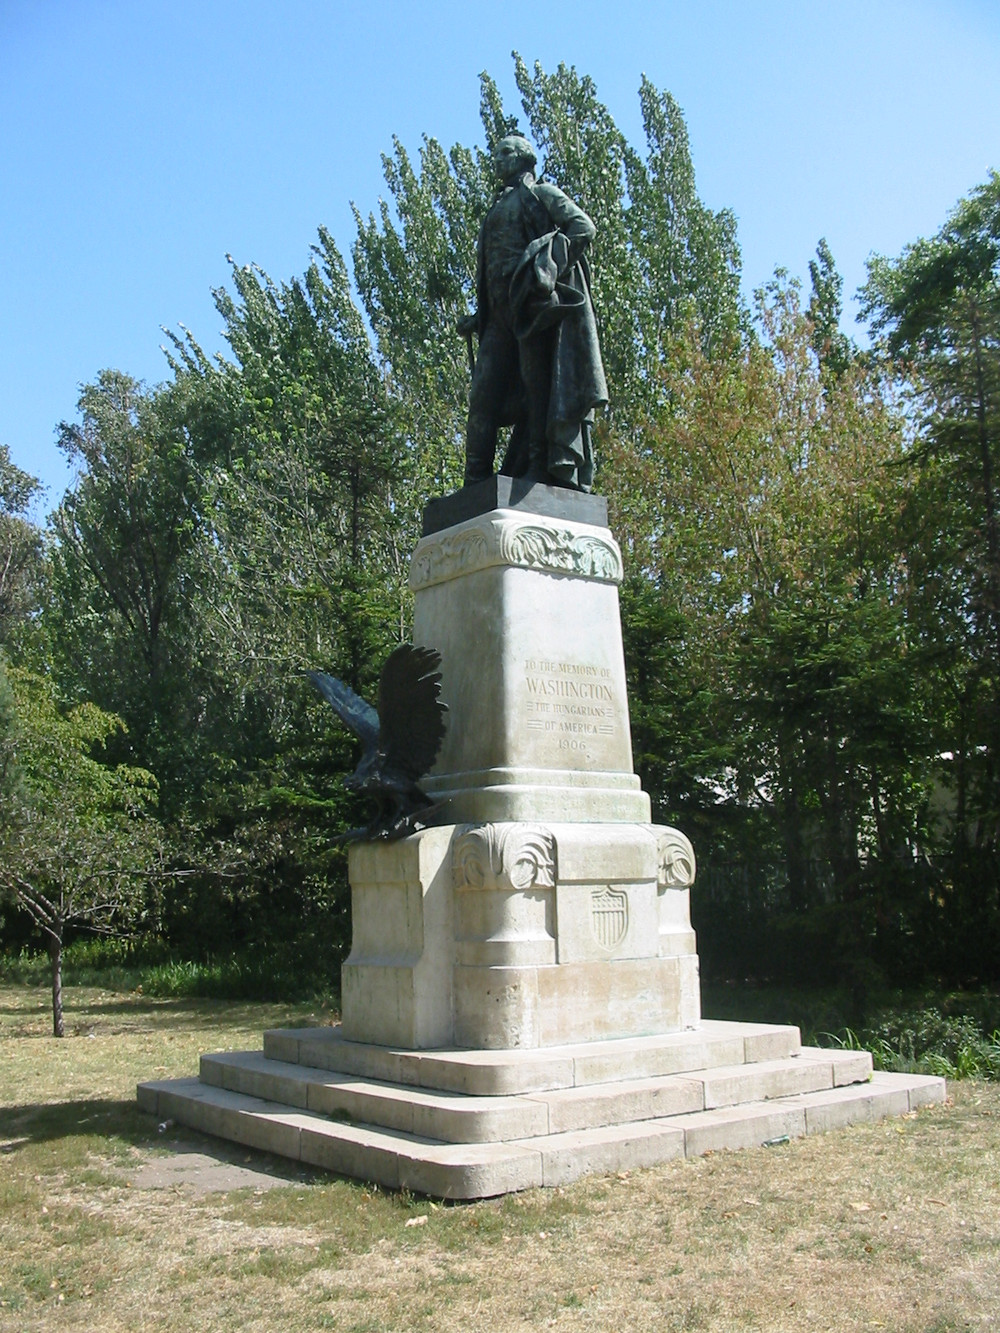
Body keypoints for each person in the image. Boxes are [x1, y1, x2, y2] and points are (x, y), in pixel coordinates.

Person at [458, 134, 608, 492]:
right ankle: (474, 480)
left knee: (537, 389)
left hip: (531, 310)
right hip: (497, 318)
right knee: (483, 396)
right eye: (497, 154)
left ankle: (540, 468)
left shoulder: (541, 193)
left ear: (525, 159)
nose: (498, 159)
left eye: (506, 153)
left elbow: (583, 228)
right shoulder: (497, 206)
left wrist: (548, 265)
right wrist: (479, 317)